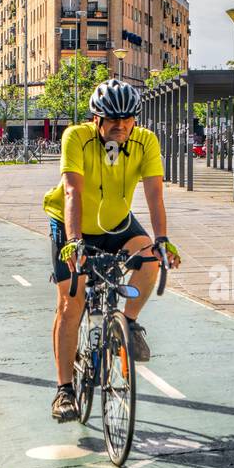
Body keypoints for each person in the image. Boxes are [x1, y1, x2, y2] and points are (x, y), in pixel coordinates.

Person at [42, 79, 182, 423]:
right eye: (112, 120)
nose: (120, 127)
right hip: (71, 224)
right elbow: (72, 190)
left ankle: (129, 323)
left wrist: (162, 239)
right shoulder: (75, 137)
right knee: (70, 304)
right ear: (96, 119)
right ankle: (64, 390)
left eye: (128, 119)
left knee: (149, 258)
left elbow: (154, 194)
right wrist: (74, 241)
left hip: (117, 223)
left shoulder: (145, 141)